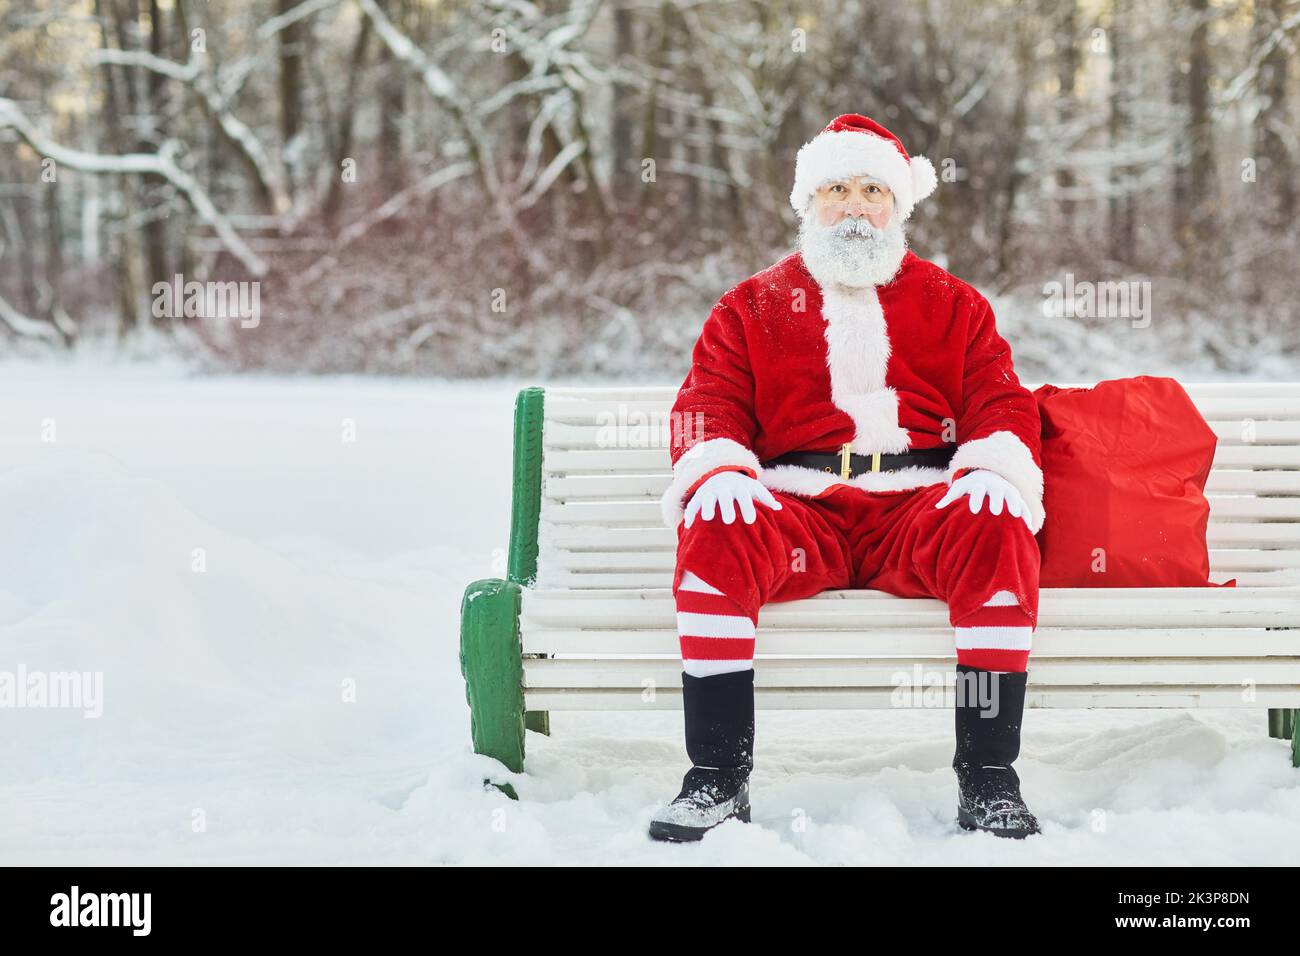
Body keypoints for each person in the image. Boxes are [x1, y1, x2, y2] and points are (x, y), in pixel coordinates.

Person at [648, 113, 1045, 843]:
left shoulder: (954, 304)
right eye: (836, 188)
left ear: (898, 206)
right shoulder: (749, 307)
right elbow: (706, 403)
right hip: (797, 510)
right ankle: (717, 775)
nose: (855, 206)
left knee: (997, 526)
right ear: (808, 203)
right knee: (717, 526)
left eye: (872, 189)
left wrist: (995, 464)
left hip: (918, 511)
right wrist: (717, 471)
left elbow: (1002, 398)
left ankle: (989, 775)